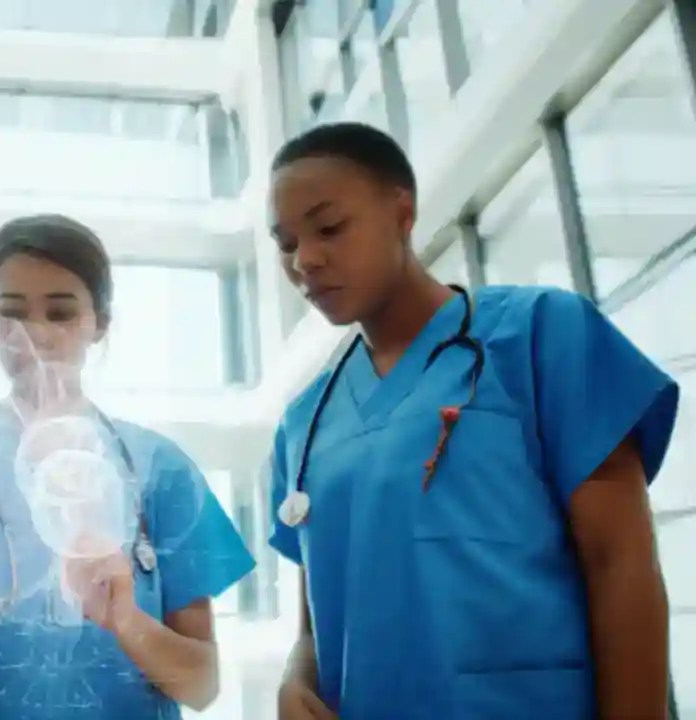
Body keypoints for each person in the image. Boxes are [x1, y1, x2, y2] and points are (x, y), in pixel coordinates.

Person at [266, 122, 678, 719]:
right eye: (285, 243)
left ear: (401, 213)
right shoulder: (305, 423)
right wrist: (293, 678)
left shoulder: (541, 334)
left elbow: (621, 564)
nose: (305, 259)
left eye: (330, 227)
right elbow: (319, 624)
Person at [0, 214, 256, 720]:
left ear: (99, 323)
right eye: (11, 314)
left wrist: (125, 619)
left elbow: (202, 685)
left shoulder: (160, 471)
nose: (34, 334)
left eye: (60, 313)